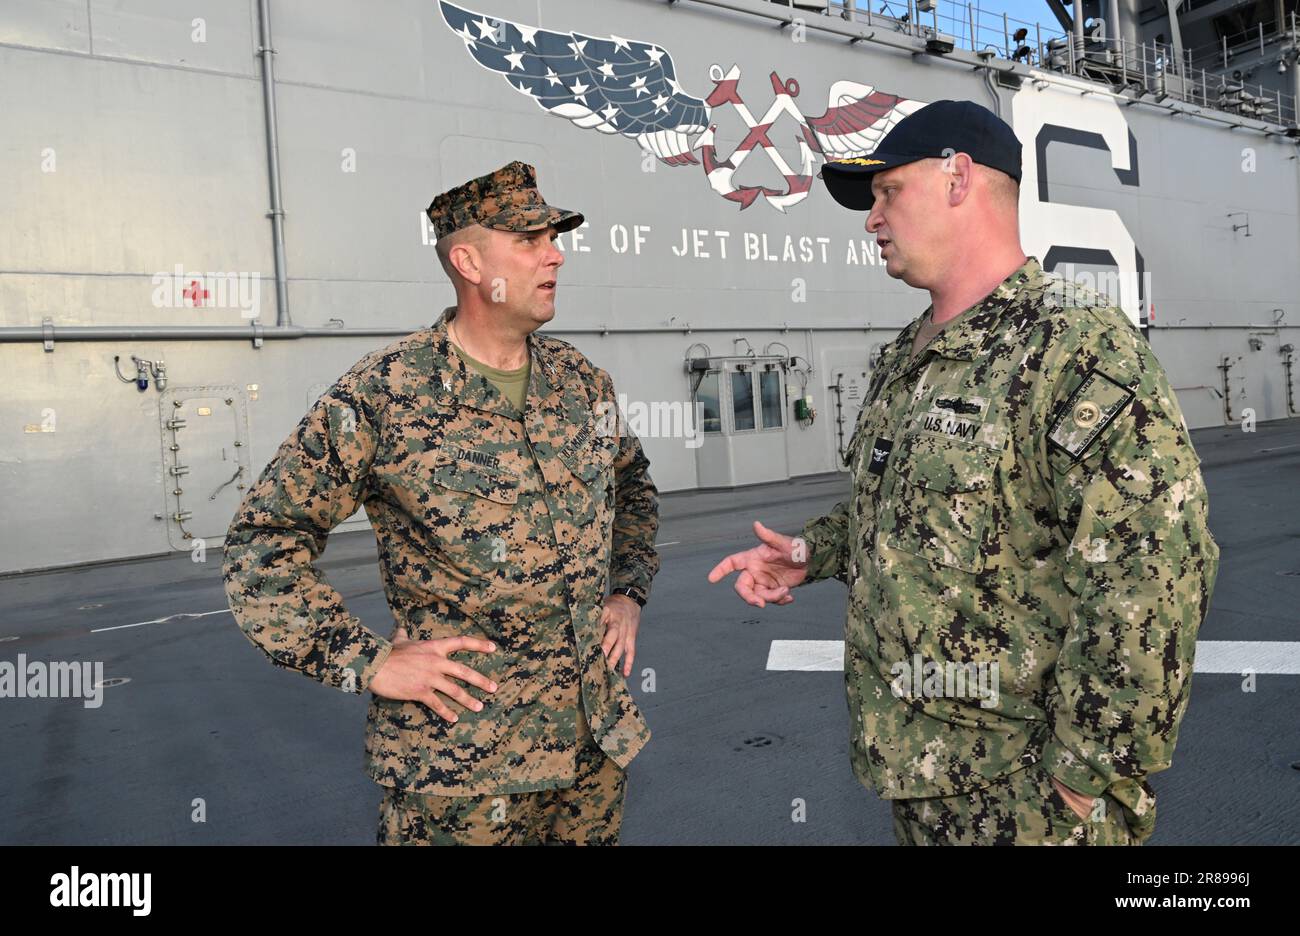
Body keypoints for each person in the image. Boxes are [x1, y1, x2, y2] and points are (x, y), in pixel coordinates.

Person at [707, 100, 1219, 845]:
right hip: (919, 773)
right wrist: (813, 552)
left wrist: (1079, 780)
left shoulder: (1072, 345)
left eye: (889, 192)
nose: (872, 219)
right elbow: (908, 510)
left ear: (959, 179)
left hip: (1026, 796)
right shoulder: (909, 354)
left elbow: (1154, 571)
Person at [222, 160, 660, 845]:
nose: (555, 255)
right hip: (461, 769)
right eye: (529, 240)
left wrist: (626, 592)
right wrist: (369, 660)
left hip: (591, 748)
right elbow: (263, 542)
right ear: (468, 262)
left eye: (554, 239)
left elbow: (632, 488)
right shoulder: (386, 392)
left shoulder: (581, 382)